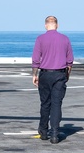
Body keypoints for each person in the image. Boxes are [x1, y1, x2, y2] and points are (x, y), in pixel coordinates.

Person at [31, 15, 73, 144]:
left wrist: (34, 74)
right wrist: (67, 76)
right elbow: (69, 61)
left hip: (45, 74)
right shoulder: (65, 39)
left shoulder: (40, 39)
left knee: (45, 103)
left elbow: (36, 60)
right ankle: (55, 134)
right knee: (56, 104)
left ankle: (43, 131)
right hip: (59, 75)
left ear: (45, 25)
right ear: (57, 25)